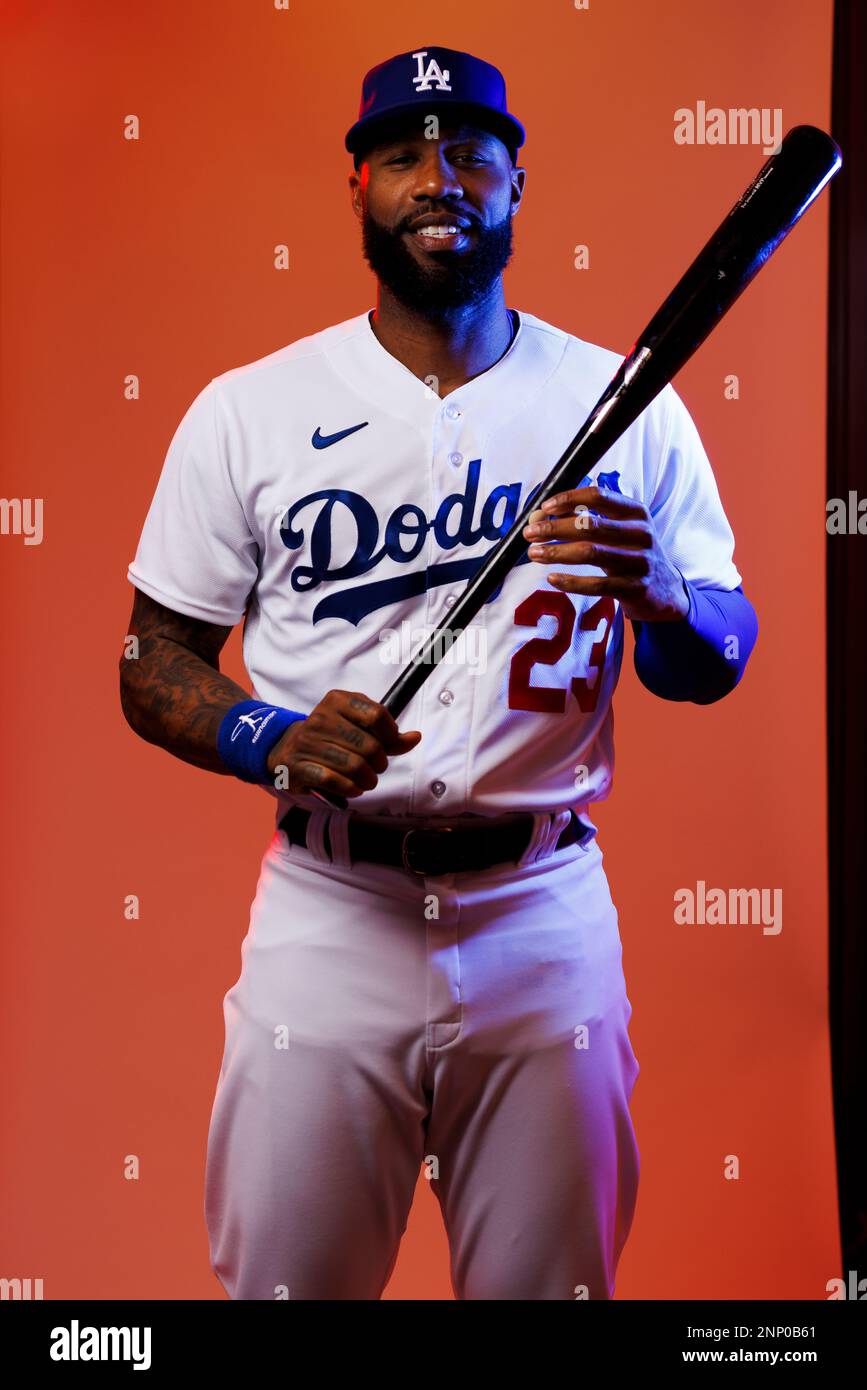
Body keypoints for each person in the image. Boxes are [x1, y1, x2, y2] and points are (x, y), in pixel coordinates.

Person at [119, 45, 758, 1300]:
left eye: (471, 153)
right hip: (329, 910)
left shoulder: (625, 399)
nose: (438, 179)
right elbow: (152, 659)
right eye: (405, 154)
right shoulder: (251, 409)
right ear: (357, 185)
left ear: (519, 185)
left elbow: (718, 655)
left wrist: (666, 594)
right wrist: (268, 736)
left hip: (543, 916)